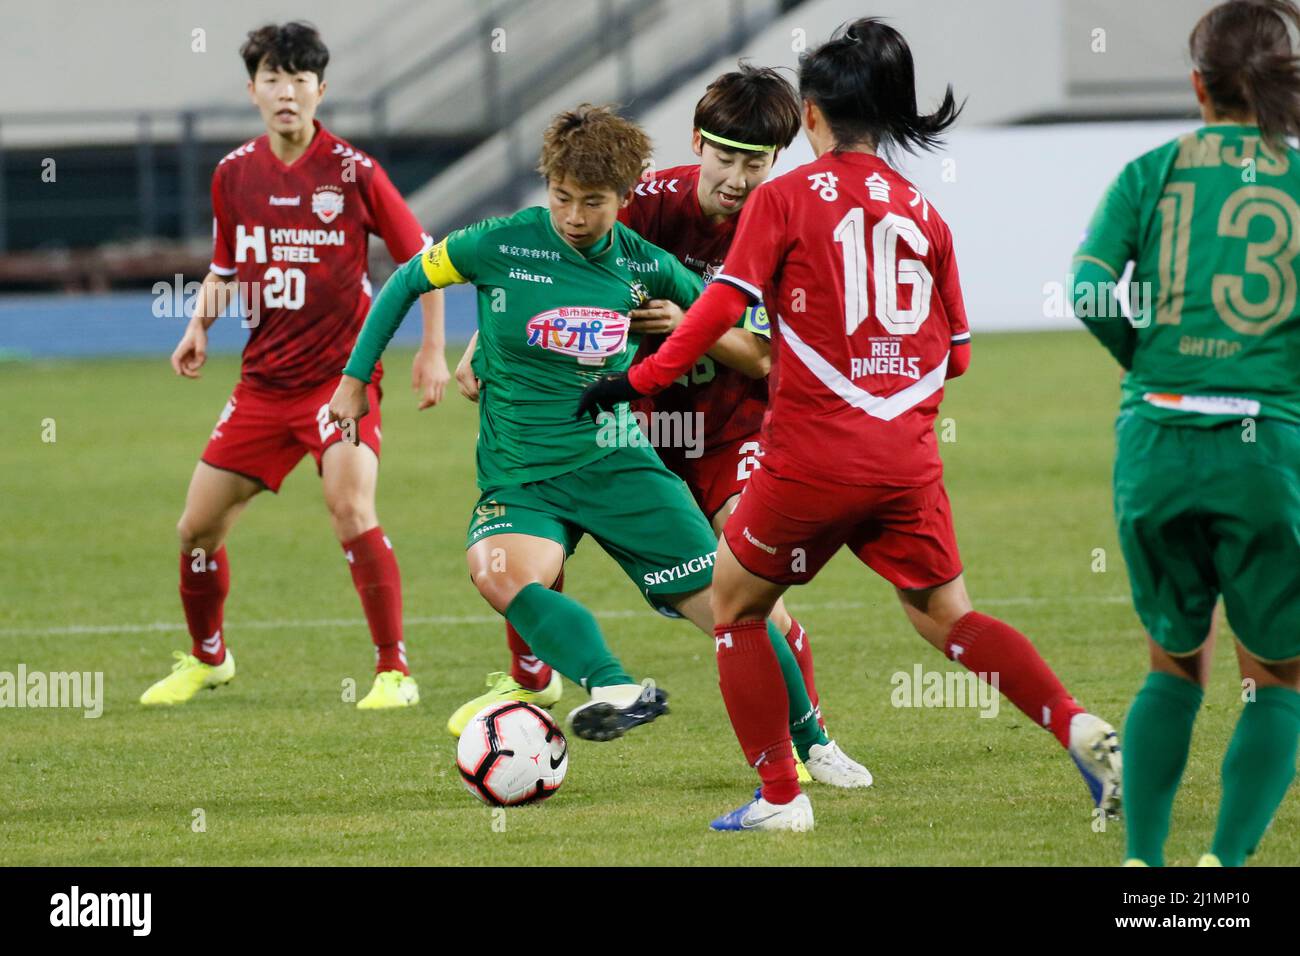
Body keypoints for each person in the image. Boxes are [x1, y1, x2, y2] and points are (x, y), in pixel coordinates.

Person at [580, 18, 1123, 831]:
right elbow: (960, 356)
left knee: (735, 607)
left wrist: (640, 377)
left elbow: (719, 307)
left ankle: (780, 799)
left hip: (812, 454)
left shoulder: (786, 197)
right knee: (949, 618)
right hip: (907, 456)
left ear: (810, 117)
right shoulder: (924, 214)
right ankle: (1077, 725)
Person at [328, 104, 871, 784]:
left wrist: (684, 326)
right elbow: (409, 277)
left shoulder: (650, 266)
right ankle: (614, 687)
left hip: (619, 463)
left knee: (739, 609)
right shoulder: (501, 242)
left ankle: (813, 741)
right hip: (521, 472)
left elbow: (747, 346)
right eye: (561, 198)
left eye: (592, 202)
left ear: (626, 196)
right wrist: (357, 378)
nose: (574, 216)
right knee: (498, 570)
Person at [140, 22, 449, 710]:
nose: (287, 92)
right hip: (263, 386)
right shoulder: (233, 174)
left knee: (349, 506)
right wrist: (199, 325)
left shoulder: (354, 172)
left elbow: (423, 261)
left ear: (320, 90)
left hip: (341, 381)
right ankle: (208, 658)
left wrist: (432, 349)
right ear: (252, 91)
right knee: (196, 531)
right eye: (273, 79)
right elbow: (225, 266)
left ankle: (393, 672)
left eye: (300, 80)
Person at [1072, 0, 1300, 867]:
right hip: (1266, 445)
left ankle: (1143, 868)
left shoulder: (1154, 170)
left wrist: (1152, 363)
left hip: (1156, 441)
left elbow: (1091, 287)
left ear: (1197, 84)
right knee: (1277, 676)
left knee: (1174, 665)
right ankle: (1223, 875)